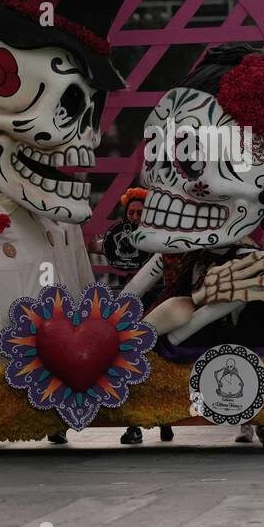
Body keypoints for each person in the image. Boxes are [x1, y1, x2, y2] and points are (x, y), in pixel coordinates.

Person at [106, 188, 170, 445]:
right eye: (131, 212)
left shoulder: (161, 240)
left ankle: (166, 421)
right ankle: (135, 426)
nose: (134, 216)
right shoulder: (120, 238)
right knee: (132, 365)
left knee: (160, 362)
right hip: (131, 307)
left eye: (140, 212)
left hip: (156, 303)